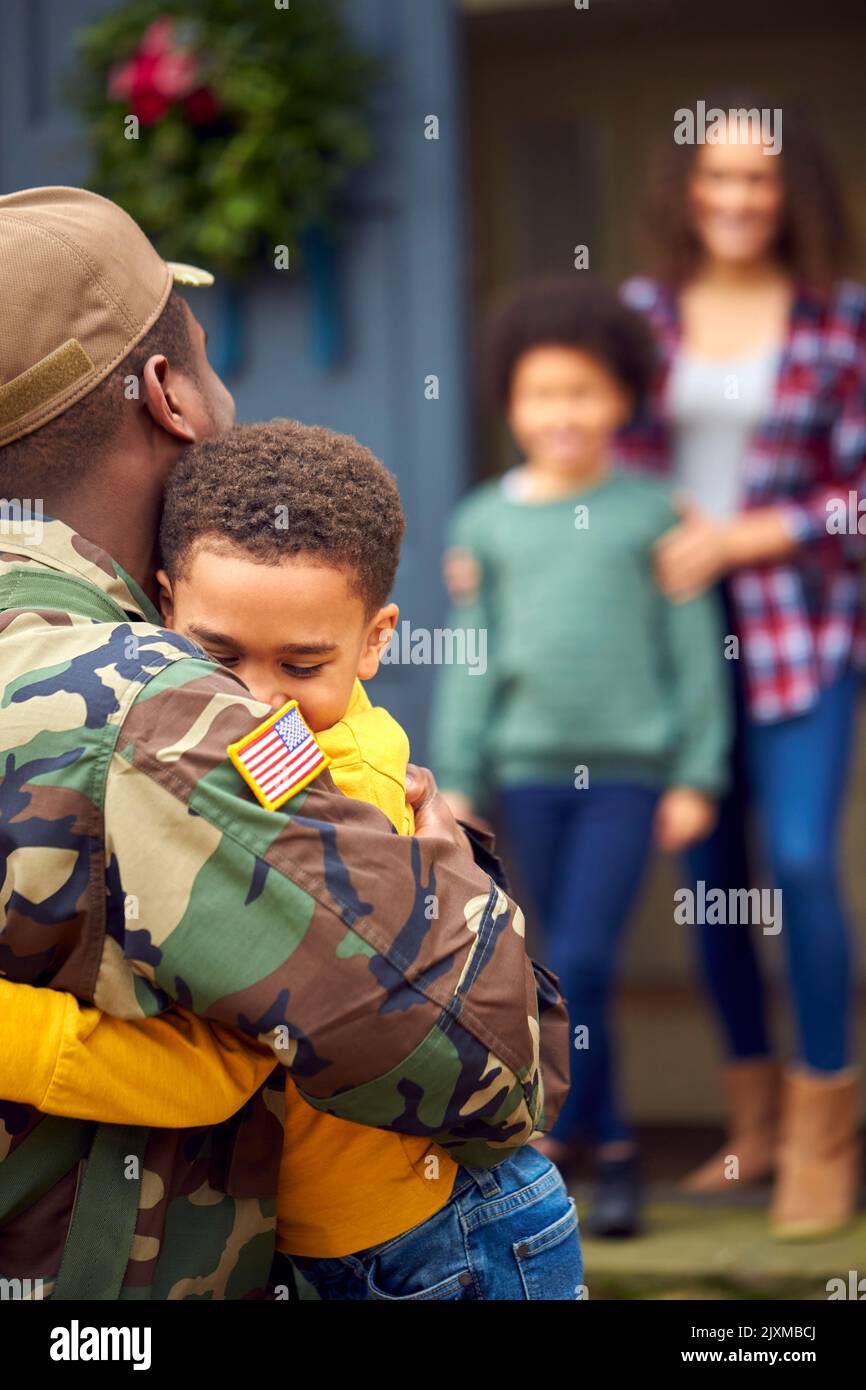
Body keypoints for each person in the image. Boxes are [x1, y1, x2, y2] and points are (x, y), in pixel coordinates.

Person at [0, 187, 570, 1300]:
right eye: (209, 362)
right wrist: (455, 879)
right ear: (165, 395)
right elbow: (484, 1067)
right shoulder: (154, 706)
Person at [429, 279, 731, 1238]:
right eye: (540, 395)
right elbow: (475, 657)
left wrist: (699, 771)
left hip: (629, 777)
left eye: (584, 392)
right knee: (541, 962)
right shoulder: (485, 522)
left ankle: (599, 1145)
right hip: (524, 776)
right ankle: (588, 1145)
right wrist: (458, 771)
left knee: (589, 957)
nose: (563, 414)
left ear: (625, 400)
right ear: (510, 405)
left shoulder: (652, 515)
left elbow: (695, 657)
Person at [619, 100, 866, 1237]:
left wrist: (744, 533)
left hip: (798, 623)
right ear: (685, 186)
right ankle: (752, 1129)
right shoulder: (639, 313)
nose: (734, 199)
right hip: (671, 628)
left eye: (757, 180)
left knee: (802, 859)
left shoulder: (838, 320)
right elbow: (599, 457)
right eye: (714, 177)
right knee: (707, 879)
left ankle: (825, 1134)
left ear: (791, 192)